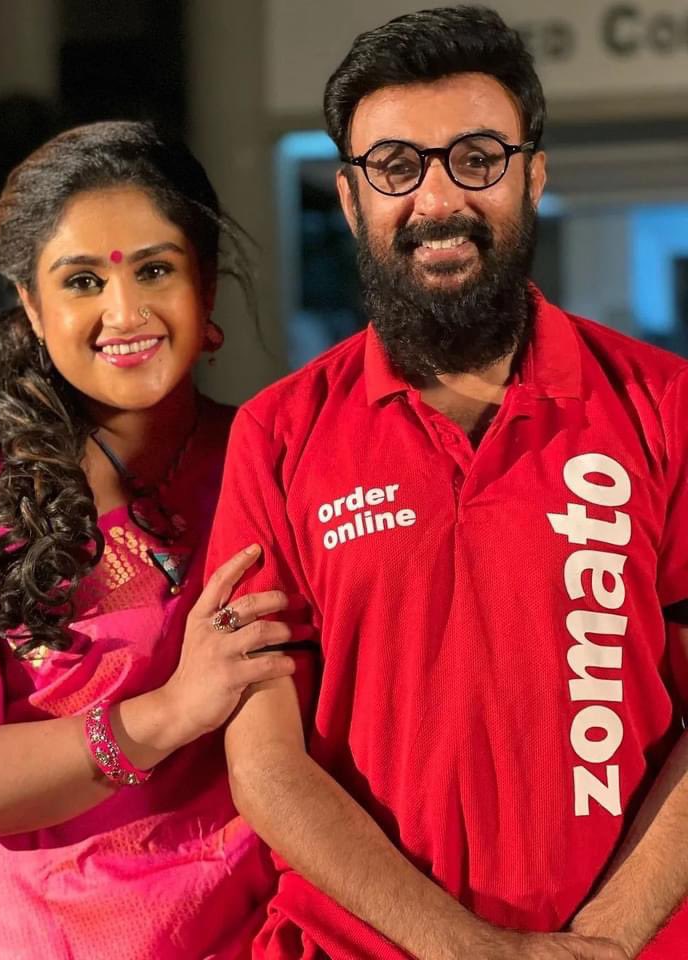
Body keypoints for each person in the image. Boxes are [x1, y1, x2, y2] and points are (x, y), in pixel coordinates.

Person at [207, 7, 688, 960]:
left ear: (532, 176)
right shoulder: (279, 436)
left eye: (476, 158)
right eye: (395, 166)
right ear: (352, 198)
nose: (436, 199)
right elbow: (264, 763)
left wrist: (600, 943)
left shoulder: (663, 405)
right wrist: (473, 952)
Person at [0, 120, 309, 959]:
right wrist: (166, 714)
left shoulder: (280, 463)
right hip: (49, 937)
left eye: (156, 270)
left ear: (206, 284)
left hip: (269, 934)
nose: (125, 313)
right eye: (83, 281)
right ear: (32, 306)